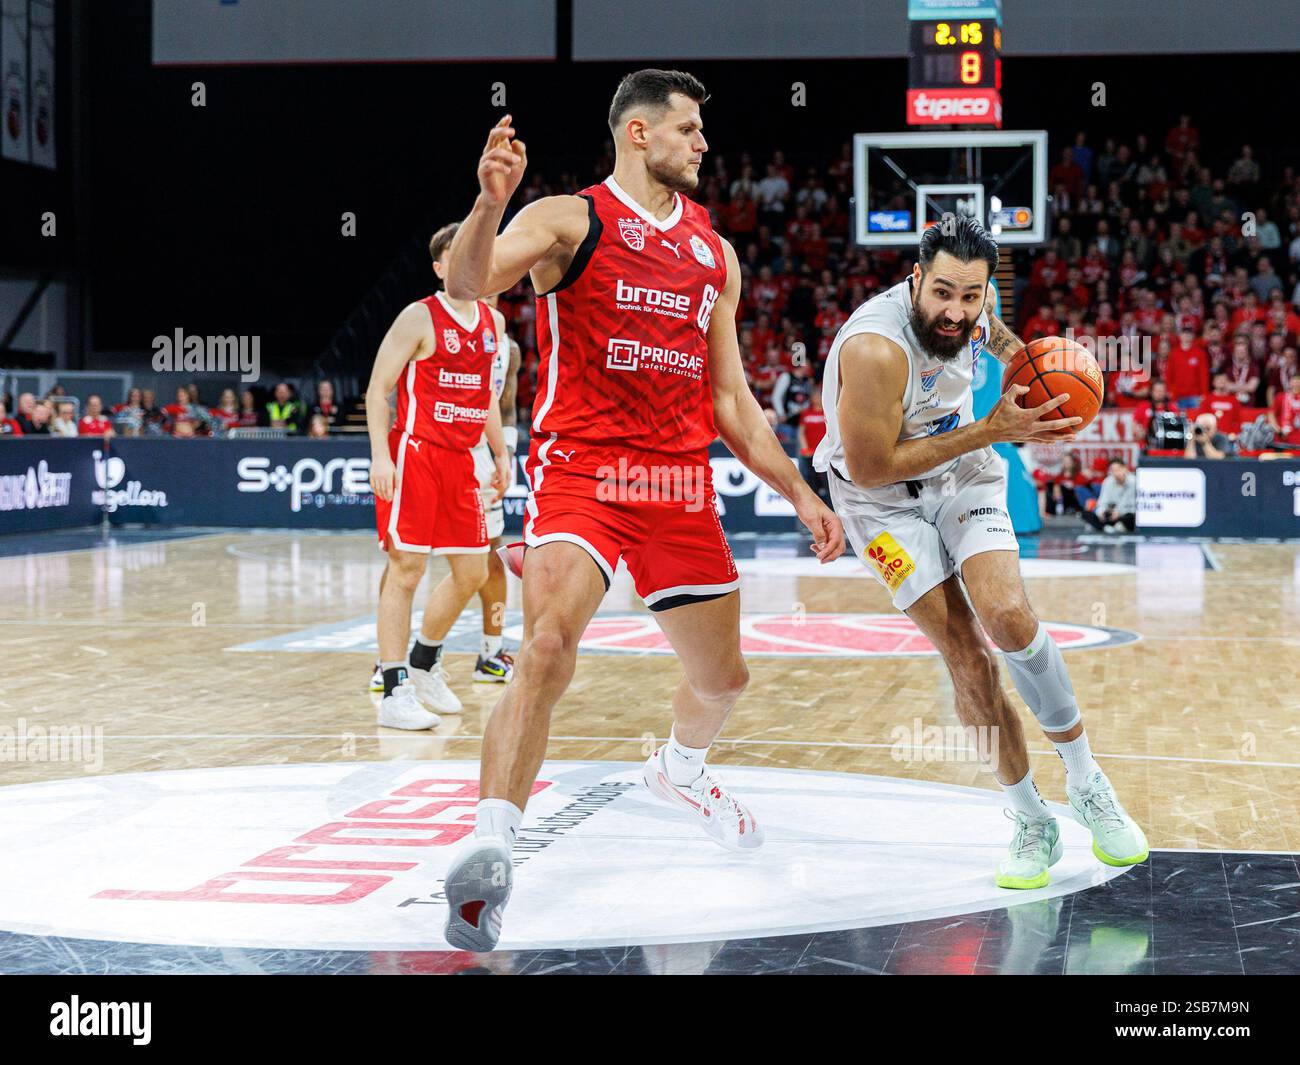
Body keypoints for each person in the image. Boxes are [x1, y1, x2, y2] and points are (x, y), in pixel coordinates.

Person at [438, 70, 844, 951]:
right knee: (546, 642)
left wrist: (802, 492)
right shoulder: (566, 220)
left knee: (723, 680)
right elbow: (470, 286)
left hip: (676, 485)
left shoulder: (715, 255)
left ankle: (680, 768)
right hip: (581, 470)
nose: (703, 145)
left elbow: (731, 401)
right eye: (690, 130)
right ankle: (490, 850)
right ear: (638, 133)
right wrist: (487, 202)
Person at [815, 215, 1147, 893]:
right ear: (915, 278)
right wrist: (991, 428)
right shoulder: (876, 349)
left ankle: (1086, 779)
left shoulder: (978, 309)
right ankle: (1030, 818)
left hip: (963, 470)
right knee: (967, 655)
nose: (957, 310)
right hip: (877, 504)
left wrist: (1043, 380)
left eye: (970, 295)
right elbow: (874, 467)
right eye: (942, 293)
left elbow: (1000, 341)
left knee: (1009, 616)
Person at [365, 223, 511, 731]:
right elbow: (378, 387)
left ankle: (425, 660)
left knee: (473, 572)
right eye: (458, 256)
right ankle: (393, 687)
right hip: (416, 455)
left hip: (464, 460)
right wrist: (381, 457)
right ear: (440, 267)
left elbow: (484, 395)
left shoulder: (492, 322)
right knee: (406, 570)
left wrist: (500, 453)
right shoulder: (418, 316)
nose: (470, 263)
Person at [1080, 460, 1136, 532]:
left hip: (1125, 514)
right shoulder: (1108, 481)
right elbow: (1102, 502)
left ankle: (1103, 527)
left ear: (1125, 469)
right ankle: (1107, 526)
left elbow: (1136, 507)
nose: (1116, 473)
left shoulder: (1134, 482)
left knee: (1130, 517)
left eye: (1118, 469)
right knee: (1085, 514)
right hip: (1110, 514)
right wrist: (1102, 513)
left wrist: (1119, 513)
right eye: (1113, 470)